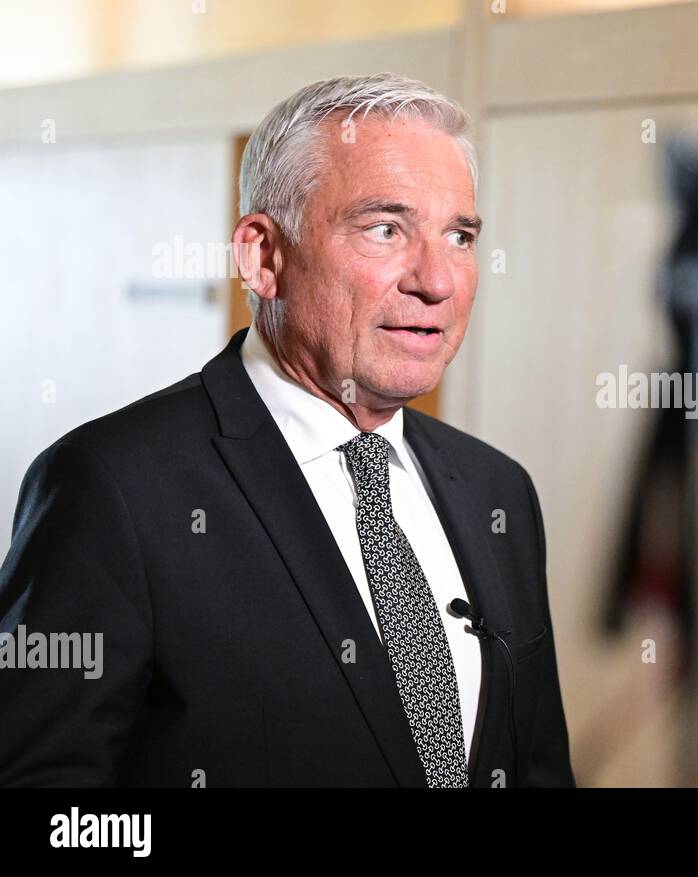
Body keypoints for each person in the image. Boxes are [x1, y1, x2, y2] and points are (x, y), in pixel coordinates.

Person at [0, 73, 575, 788]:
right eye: (385, 228)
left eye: (459, 235)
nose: (437, 280)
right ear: (264, 257)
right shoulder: (112, 487)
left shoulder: (499, 491)